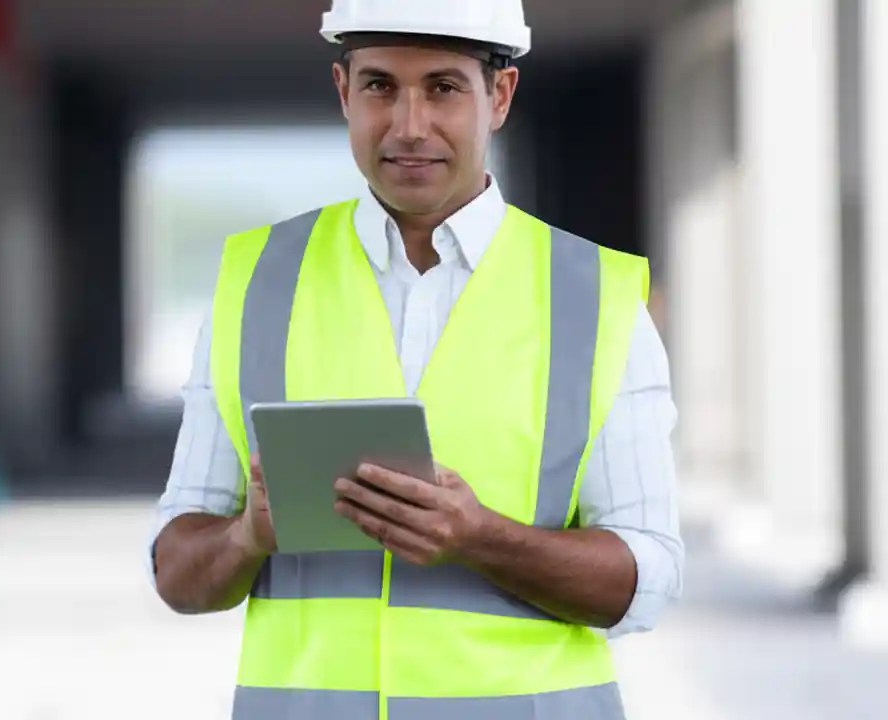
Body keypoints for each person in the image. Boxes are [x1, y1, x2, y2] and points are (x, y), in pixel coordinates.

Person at [145, 0, 684, 717]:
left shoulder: (598, 298)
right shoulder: (257, 283)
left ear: (498, 96)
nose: (408, 126)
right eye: (379, 87)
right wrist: (248, 537)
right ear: (343, 91)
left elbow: (646, 581)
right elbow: (177, 573)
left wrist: (481, 538)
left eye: (442, 87)